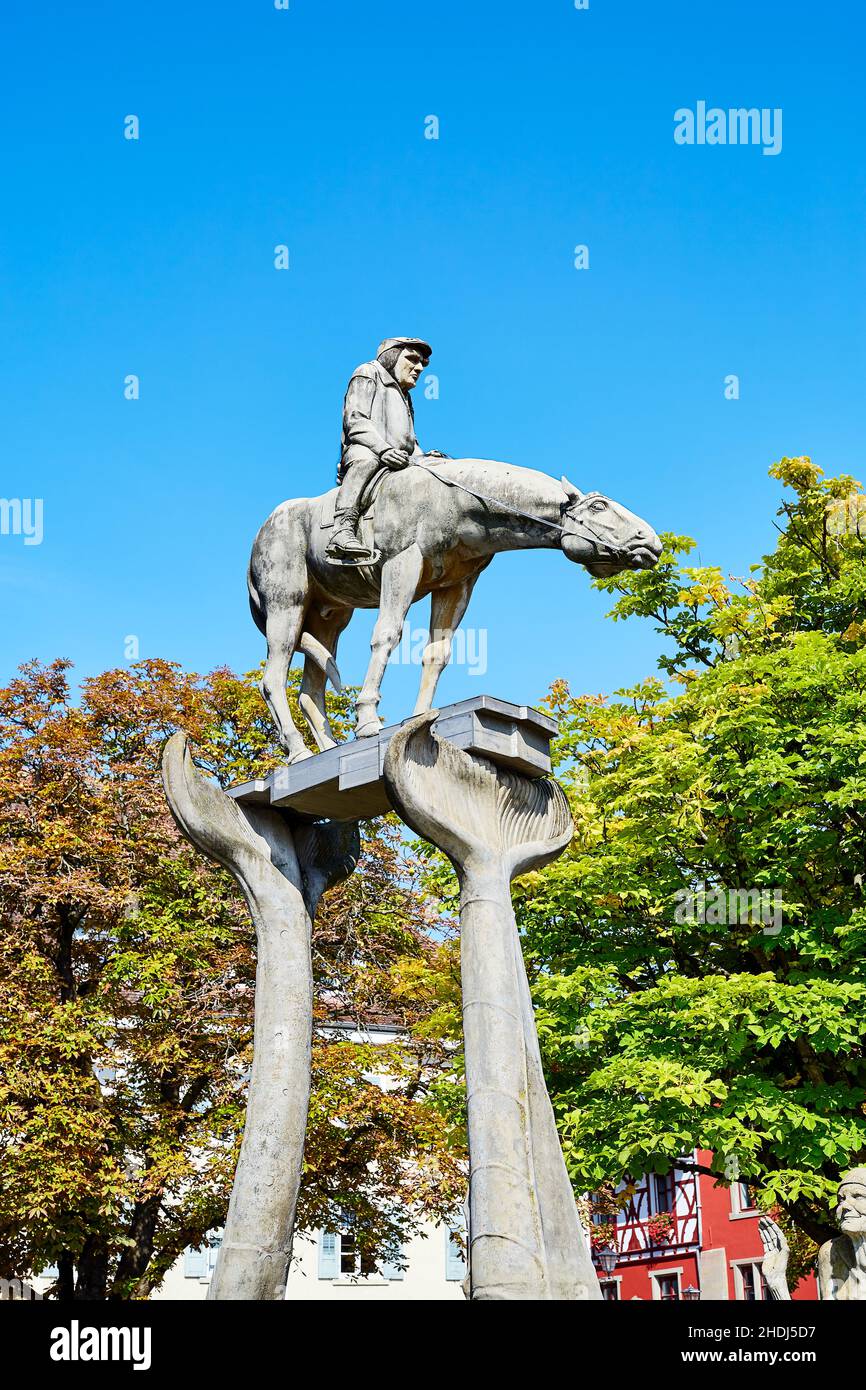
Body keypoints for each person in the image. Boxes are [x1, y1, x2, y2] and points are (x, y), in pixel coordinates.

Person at [327, 336, 447, 561]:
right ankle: (342, 529)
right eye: (412, 359)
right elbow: (355, 420)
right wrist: (383, 450)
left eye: (423, 363)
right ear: (392, 357)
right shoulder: (367, 372)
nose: (419, 368)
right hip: (366, 449)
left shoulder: (405, 395)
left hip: (398, 456)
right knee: (366, 461)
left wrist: (423, 457)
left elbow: (409, 440)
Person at [760, 1168, 866, 1300]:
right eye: (841, 1199)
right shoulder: (832, 1252)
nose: (844, 1206)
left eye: (857, 1196)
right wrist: (778, 1284)